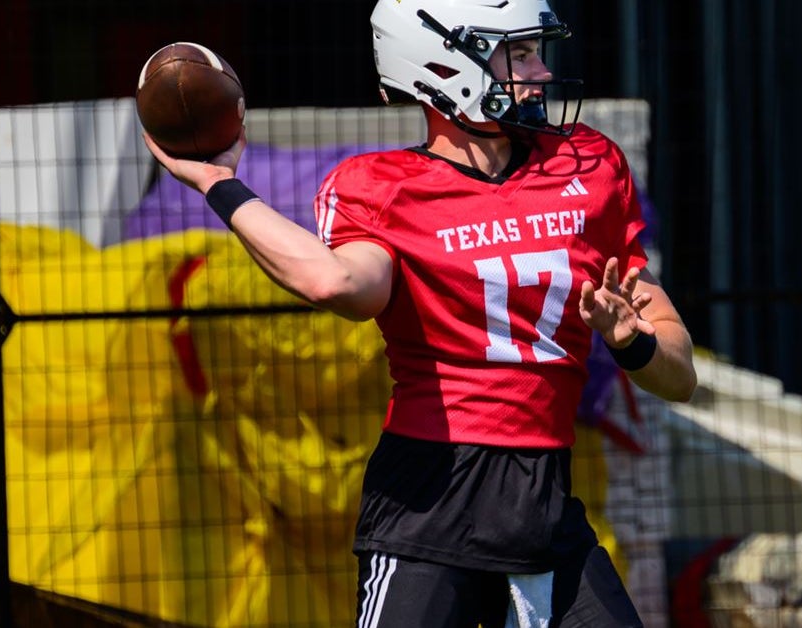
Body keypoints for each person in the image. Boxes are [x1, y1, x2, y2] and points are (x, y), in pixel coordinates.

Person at [143, 0, 697, 625]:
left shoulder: (585, 164)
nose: (540, 72)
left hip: (545, 503)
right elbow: (337, 284)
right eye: (517, 53)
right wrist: (220, 183)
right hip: (429, 505)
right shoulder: (381, 185)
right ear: (443, 63)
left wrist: (633, 344)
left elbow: (680, 378)